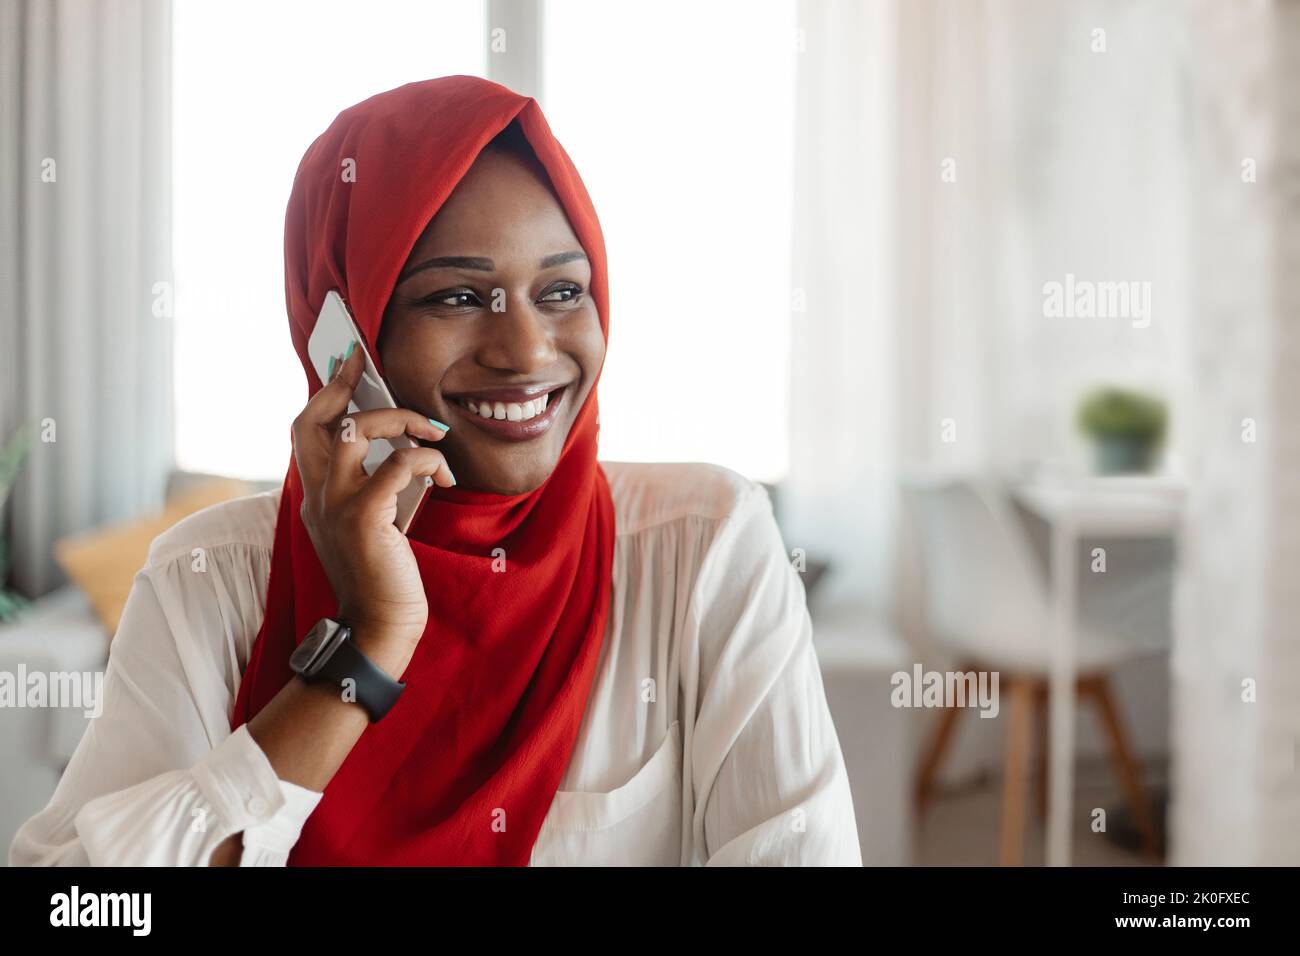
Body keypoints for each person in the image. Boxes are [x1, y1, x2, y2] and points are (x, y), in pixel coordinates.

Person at [9, 75, 861, 866]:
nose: (527, 351)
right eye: (456, 297)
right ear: (343, 338)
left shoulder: (703, 549)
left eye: (562, 292)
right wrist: (365, 648)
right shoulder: (210, 579)